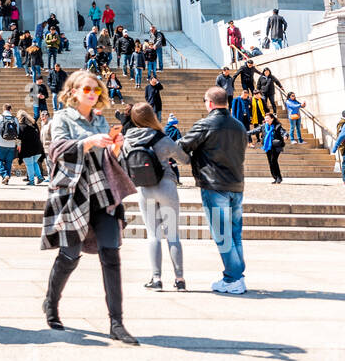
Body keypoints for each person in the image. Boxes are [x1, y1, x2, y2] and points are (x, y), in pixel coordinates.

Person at [39, 69, 138, 344]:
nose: (93, 94)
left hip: (102, 192)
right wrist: (88, 142)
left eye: (96, 90)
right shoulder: (62, 118)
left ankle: (116, 323)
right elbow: (56, 149)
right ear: (72, 92)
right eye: (86, 89)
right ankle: (51, 302)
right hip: (74, 192)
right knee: (69, 255)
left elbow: (105, 156)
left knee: (111, 254)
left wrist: (115, 146)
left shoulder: (101, 120)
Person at [178, 86, 247, 294]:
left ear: (209, 102)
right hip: (236, 184)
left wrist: (188, 160)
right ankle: (237, 276)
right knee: (235, 234)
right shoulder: (238, 126)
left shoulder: (206, 124)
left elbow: (180, 146)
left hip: (214, 185)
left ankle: (233, 278)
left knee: (222, 235)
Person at [121, 102, 191, 292]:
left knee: (153, 235)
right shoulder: (161, 137)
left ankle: (156, 279)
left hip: (145, 188)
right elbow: (184, 159)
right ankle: (179, 279)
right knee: (173, 235)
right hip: (166, 186)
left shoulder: (127, 140)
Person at [0, 103, 19, 185]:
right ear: (10, 109)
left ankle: (5, 175)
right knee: (9, 162)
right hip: (11, 145)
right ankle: (6, 179)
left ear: (3, 109)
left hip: (0, 143)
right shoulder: (15, 119)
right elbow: (18, 132)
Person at [17, 111, 45, 185]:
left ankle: (31, 181)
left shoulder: (20, 126)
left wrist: (18, 147)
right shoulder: (33, 124)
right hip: (38, 147)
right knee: (34, 162)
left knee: (29, 164)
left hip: (28, 149)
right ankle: (40, 177)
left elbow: (18, 139)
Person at [259, 112, 286, 184]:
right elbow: (255, 130)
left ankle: (279, 177)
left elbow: (283, 131)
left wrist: (285, 135)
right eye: (265, 118)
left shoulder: (277, 126)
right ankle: (275, 177)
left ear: (272, 119)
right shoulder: (264, 126)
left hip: (276, 146)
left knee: (273, 160)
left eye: (268, 118)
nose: (266, 119)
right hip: (268, 146)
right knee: (270, 162)